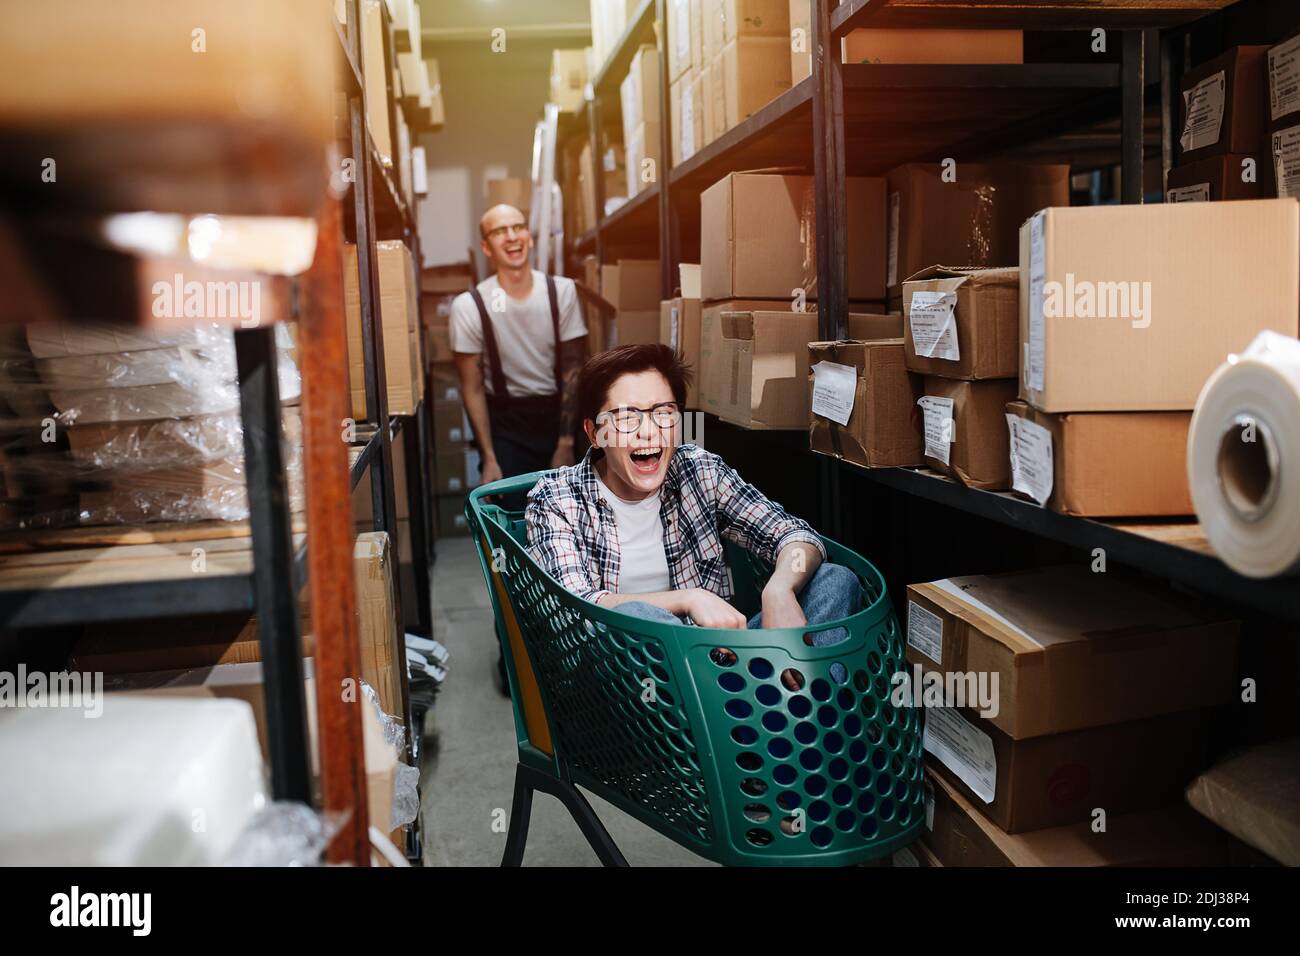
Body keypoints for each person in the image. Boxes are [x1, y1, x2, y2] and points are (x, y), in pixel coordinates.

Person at [525, 344, 861, 683]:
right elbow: (571, 608)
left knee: (835, 581)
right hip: (631, 690)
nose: (649, 431)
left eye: (663, 412)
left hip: (725, 666)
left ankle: (796, 715)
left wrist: (779, 590)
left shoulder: (699, 471)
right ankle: (768, 717)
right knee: (637, 618)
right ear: (594, 433)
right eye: (627, 417)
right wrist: (688, 600)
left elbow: (794, 535)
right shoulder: (556, 498)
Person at [451, 203, 588, 691]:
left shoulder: (562, 292)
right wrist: (487, 457)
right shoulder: (472, 305)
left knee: (573, 538)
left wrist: (567, 440)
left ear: (528, 235)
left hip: (559, 421)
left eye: (517, 227)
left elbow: (575, 371)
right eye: (498, 232)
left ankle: (571, 658)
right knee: (510, 550)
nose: (511, 237)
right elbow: (471, 387)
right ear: (486, 247)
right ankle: (517, 662)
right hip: (506, 427)